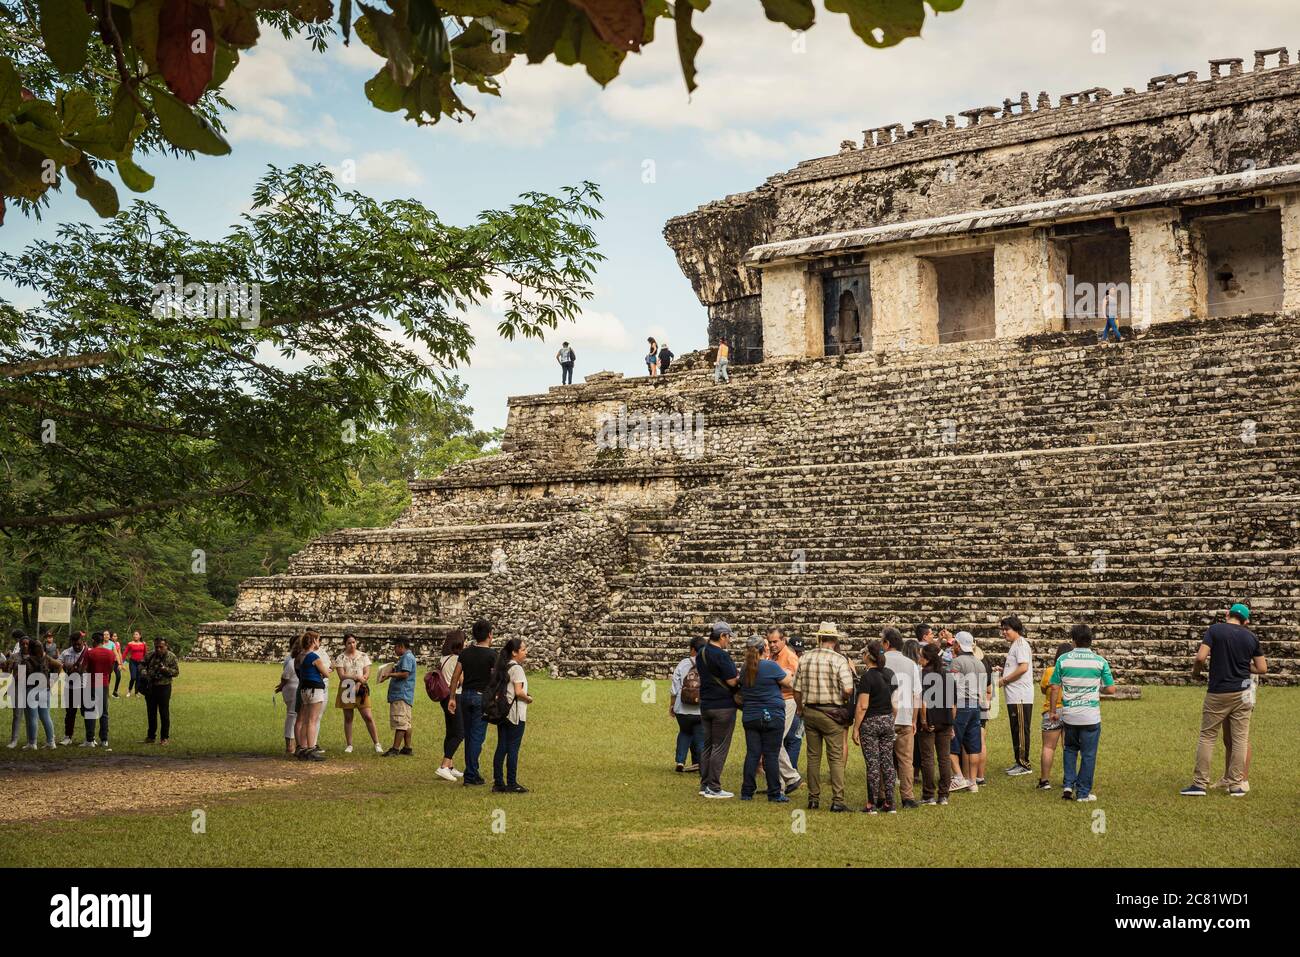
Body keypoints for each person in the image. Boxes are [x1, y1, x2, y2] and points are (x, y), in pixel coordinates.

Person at [1181, 603, 1266, 797]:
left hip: (1219, 691)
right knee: (1240, 739)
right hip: (1244, 692)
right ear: (1246, 621)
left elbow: (1201, 657)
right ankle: (1236, 784)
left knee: (1208, 736)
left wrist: (1196, 673)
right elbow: (1262, 668)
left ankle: (1199, 784)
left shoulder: (1216, 630)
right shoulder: (1251, 637)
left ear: (1227, 614)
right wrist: (1244, 666)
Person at [792, 621, 855, 812]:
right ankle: (837, 799)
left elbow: (796, 689)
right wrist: (842, 696)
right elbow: (848, 689)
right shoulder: (838, 660)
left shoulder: (805, 658)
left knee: (813, 757)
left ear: (819, 638)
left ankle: (813, 798)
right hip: (832, 712)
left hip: (810, 710)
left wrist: (800, 708)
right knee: (835, 757)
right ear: (834, 639)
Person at [1052, 624, 1116, 801]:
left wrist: (1052, 711)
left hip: (1070, 714)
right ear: (1090, 640)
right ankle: (1083, 792)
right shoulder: (1100, 661)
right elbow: (1111, 689)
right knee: (1088, 754)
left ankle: (1067, 784)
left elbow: (1055, 687)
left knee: (1070, 749)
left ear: (1073, 640)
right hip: (1090, 715)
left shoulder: (1063, 660)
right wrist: (1098, 689)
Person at [739, 636, 794, 802]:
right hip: (772, 714)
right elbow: (787, 682)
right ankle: (774, 792)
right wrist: (789, 672)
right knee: (771, 754)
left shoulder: (745, 669)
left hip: (751, 715)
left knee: (753, 754)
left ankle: (747, 791)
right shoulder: (770, 666)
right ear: (764, 649)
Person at [852, 641, 898, 813]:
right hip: (887, 720)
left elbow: (863, 705)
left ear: (867, 656)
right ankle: (890, 802)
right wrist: (890, 720)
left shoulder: (867, 677)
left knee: (872, 763)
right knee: (887, 763)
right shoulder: (890, 674)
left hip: (871, 722)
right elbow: (896, 703)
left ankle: (872, 803)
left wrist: (856, 728)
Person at [448, 618, 495, 785]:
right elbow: (495, 678)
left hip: (465, 696)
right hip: (481, 697)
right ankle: (471, 774)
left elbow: (455, 676)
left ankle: (472, 771)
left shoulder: (465, 653)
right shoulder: (491, 654)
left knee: (469, 736)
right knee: (477, 737)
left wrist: (452, 697)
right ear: (490, 635)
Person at [696, 621, 739, 799]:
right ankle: (714, 787)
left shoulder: (702, 652)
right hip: (723, 705)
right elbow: (731, 681)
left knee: (707, 746)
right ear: (722, 636)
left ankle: (705, 783)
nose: (728, 641)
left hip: (706, 705)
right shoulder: (721, 655)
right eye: (728, 637)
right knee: (719, 747)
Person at [881, 628, 921, 809]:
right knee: (906, 759)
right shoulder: (911, 663)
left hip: (883, 715)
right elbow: (917, 694)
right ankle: (908, 796)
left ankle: (882, 794)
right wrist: (914, 719)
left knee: (883, 757)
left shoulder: (880, 661)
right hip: (905, 715)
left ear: (887, 643)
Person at [491, 638, 532, 793]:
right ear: (514, 652)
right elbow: (519, 692)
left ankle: (498, 782)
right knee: (513, 748)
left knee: (502, 746)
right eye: (523, 649)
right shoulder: (517, 669)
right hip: (515, 713)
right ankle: (512, 782)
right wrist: (529, 698)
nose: (525, 652)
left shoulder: (502, 666)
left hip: (503, 712)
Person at [947, 630, 985, 793]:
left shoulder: (957, 662)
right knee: (974, 745)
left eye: (955, 642)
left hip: (961, 705)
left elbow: (952, 687)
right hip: (976, 705)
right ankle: (972, 782)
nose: (953, 645)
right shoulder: (980, 663)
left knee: (951, 742)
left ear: (959, 644)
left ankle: (958, 777)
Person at [765, 627, 802, 794]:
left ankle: (791, 777)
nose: (772, 645)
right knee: (773, 741)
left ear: (783, 640)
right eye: (770, 641)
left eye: (775, 641)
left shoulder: (790, 657)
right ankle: (779, 784)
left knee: (774, 740)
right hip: (775, 701)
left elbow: (795, 682)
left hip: (787, 701)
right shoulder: (772, 656)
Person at [917, 644, 955, 805]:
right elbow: (954, 705)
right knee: (944, 758)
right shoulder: (947, 675)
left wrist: (924, 721)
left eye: (921, 656)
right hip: (945, 721)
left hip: (929, 722)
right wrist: (951, 724)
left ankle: (928, 795)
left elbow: (923, 702)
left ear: (926, 658)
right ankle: (944, 794)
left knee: (928, 759)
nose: (919, 659)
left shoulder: (922, 675)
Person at [335, 633, 382, 754]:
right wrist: (356, 677)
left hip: (361, 687)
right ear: (345, 644)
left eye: (353, 642)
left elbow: (367, 673)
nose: (352, 645)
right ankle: (349, 744)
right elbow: (342, 676)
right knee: (348, 717)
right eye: (349, 643)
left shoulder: (363, 656)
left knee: (368, 716)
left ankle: (377, 743)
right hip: (347, 688)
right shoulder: (340, 658)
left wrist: (360, 682)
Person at [999, 615, 1035, 776]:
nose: (1004, 632)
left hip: (1020, 696)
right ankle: (1018, 761)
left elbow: (1023, 668)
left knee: (1021, 729)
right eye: (1003, 629)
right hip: (1014, 696)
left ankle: (1024, 764)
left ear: (1016, 629)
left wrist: (1004, 680)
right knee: (1016, 729)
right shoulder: (1015, 645)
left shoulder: (1020, 644)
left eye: (1007, 629)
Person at [1036, 641, 1073, 790]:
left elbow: (1044, 690)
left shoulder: (1050, 670)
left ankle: (1044, 780)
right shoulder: (1072, 670)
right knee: (1068, 747)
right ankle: (1068, 779)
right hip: (1070, 710)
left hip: (1052, 710)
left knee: (1048, 747)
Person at [669, 636, 704, 774]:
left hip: (682, 709)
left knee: (685, 732)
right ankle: (701, 763)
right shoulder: (707, 664)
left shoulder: (683, 663)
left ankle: (680, 760)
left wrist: (671, 706)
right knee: (700, 737)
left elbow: (674, 688)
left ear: (692, 650)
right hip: (700, 709)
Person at [435, 630, 467, 781]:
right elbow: (461, 680)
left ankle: (450, 765)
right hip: (455, 697)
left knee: (450, 731)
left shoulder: (444, 658)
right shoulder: (457, 659)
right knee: (460, 732)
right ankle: (444, 765)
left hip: (444, 696)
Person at [294, 630, 330, 760]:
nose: (319, 642)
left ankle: (302, 747)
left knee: (305, 720)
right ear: (314, 641)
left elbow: (301, 672)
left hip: (304, 689)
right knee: (312, 721)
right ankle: (311, 748)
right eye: (318, 640)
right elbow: (326, 674)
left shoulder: (300, 656)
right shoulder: (314, 657)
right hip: (315, 689)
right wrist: (328, 670)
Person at [379, 637, 418, 756]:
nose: (394, 650)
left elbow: (405, 674)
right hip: (405, 694)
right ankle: (407, 747)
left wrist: (390, 674)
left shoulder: (406, 657)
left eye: (395, 647)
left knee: (400, 722)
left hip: (401, 694)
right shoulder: (408, 657)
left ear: (401, 646)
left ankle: (395, 749)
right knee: (406, 722)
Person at [21, 637, 61, 750]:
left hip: (31, 690)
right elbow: (59, 665)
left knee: (32, 717)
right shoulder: (46, 659)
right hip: (45, 689)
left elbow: (20, 678)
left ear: (30, 649)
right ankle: (51, 742)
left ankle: (32, 743)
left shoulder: (26, 661)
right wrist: (52, 681)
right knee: (46, 716)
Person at [79, 632, 116, 751]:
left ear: (94, 641)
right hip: (104, 682)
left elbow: (84, 668)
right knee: (103, 712)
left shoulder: (89, 653)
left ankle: (90, 739)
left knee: (90, 710)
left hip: (92, 681)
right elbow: (111, 669)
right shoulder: (110, 653)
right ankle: (104, 739)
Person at [142, 638, 180, 745]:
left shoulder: (171, 657)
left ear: (166, 646)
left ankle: (164, 738)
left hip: (164, 687)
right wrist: (144, 672)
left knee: (164, 712)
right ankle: (151, 736)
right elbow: (142, 664)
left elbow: (176, 672)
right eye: (156, 647)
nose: (158, 649)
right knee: (151, 712)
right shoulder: (150, 655)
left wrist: (165, 670)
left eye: (161, 647)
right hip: (151, 687)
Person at [274, 634, 301, 755]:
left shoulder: (298, 658)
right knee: (292, 716)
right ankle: (290, 745)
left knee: (297, 717)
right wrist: (281, 685)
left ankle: (297, 744)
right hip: (292, 689)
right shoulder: (291, 660)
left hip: (296, 688)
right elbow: (285, 676)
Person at [782, 636, 806, 769]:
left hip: (781, 701)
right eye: (795, 650)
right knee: (795, 739)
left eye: (799, 651)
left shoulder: (780, 658)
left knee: (785, 739)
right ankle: (791, 771)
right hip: (791, 702)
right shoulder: (791, 659)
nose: (797, 654)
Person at [58, 632, 85, 745]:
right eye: (75, 645)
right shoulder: (66, 653)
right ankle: (68, 737)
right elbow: (58, 663)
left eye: (79, 644)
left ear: (82, 642)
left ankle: (90, 737)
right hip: (70, 687)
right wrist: (64, 666)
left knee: (88, 712)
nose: (77, 647)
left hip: (85, 686)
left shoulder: (88, 652)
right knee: (70, 713)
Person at [124, 630, 148, 697]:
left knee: (138, 678)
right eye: (134, 634)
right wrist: (121, 662)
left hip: (141, 663)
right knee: (133, 677)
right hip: (133, 662)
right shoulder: (130, 643)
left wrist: (146, 663)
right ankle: (129, 691)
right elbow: (125, 653)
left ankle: (136, 692)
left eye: (136, 634)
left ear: (140, 636)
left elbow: (146, 654)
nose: (135, 636)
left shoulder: (143, 644)